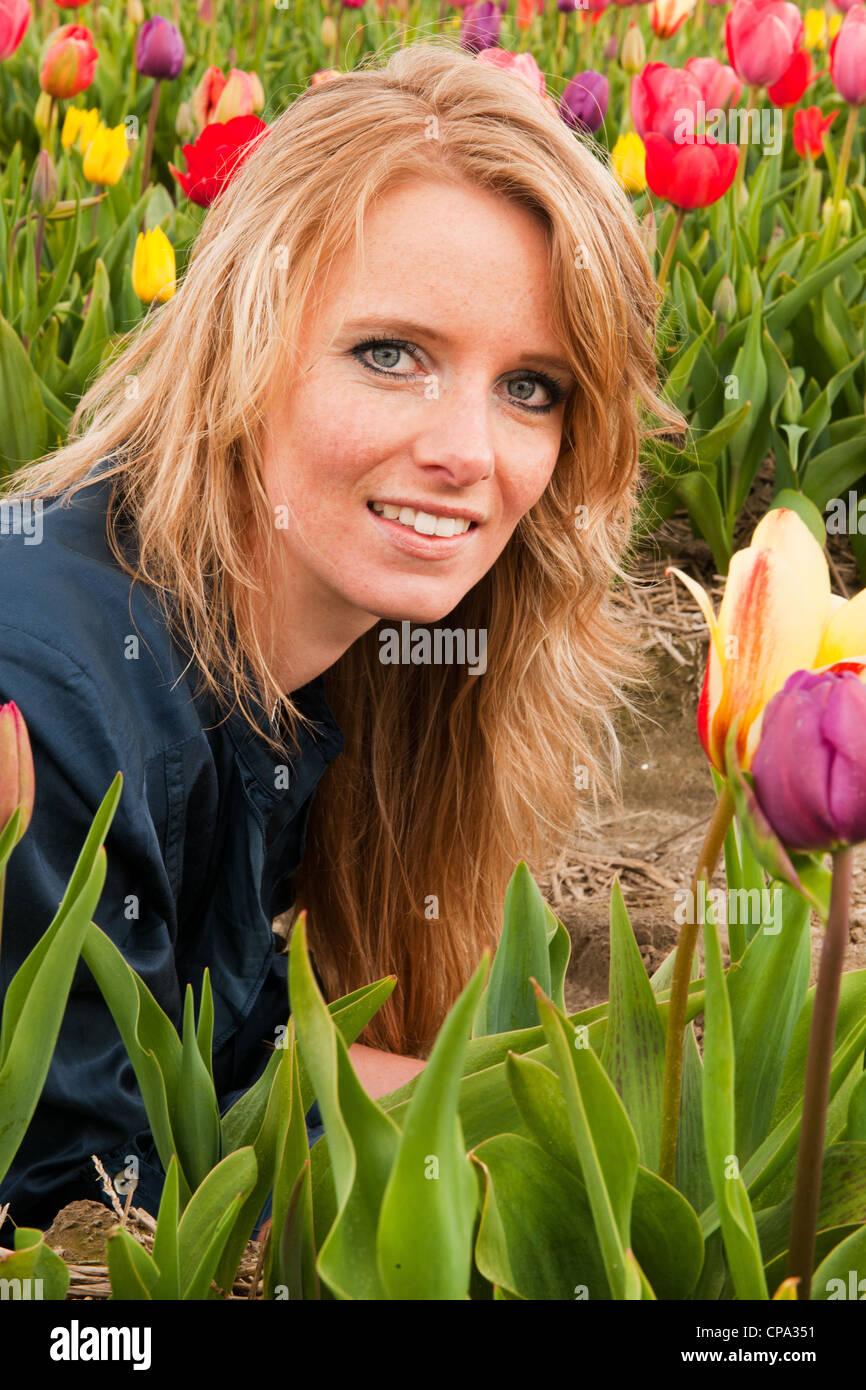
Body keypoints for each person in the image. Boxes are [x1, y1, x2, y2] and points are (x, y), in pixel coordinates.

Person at [0, 36, 682, 1246]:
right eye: (390, 355)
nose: (467, 452)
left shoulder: (332, 664)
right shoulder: (43, 701)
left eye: (532, 386)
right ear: (241, 343)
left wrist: (608, 1117)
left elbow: (229, 1065)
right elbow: (81, 1211)